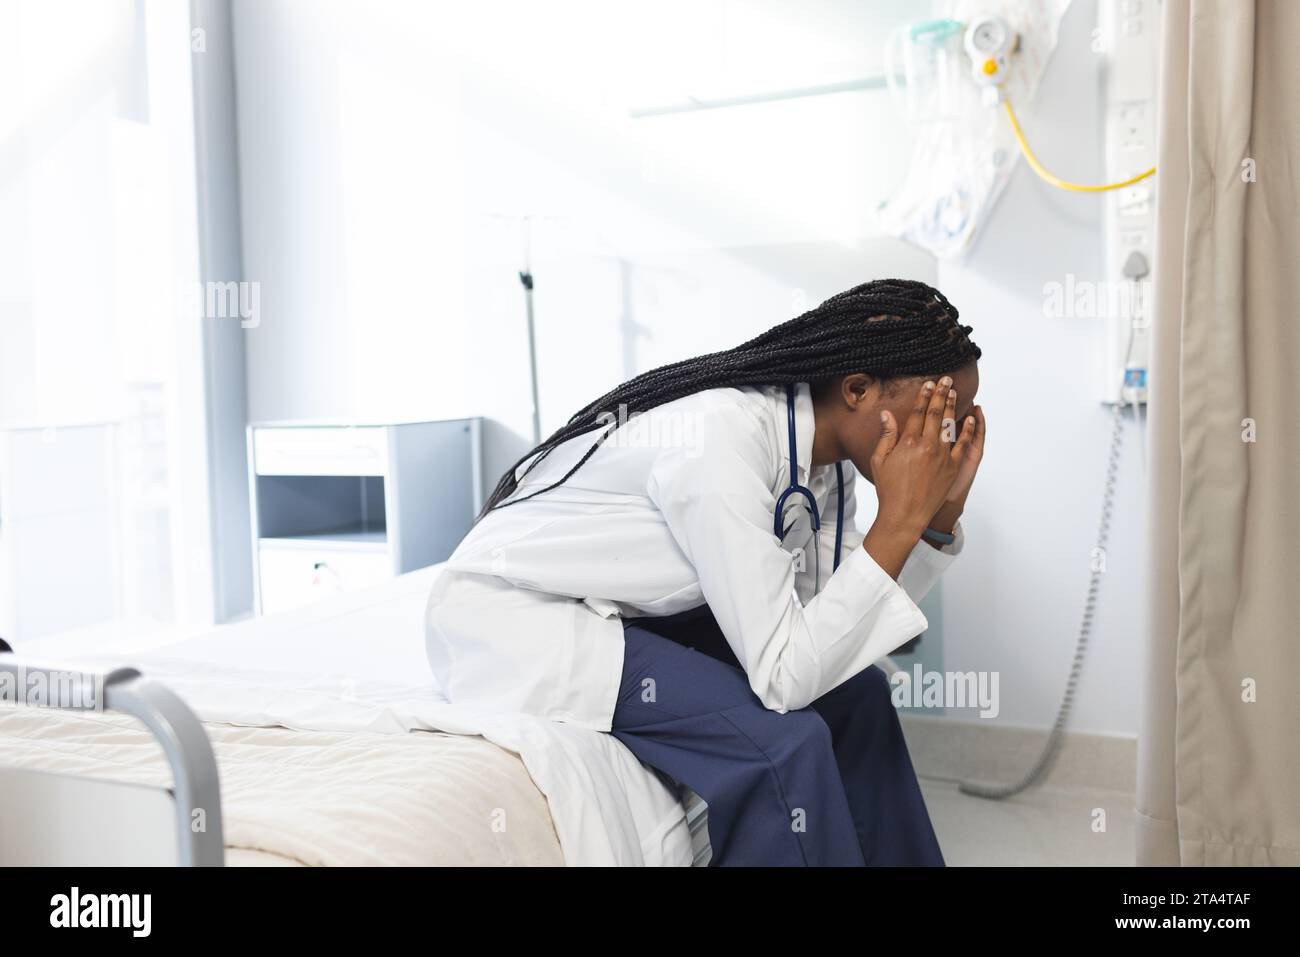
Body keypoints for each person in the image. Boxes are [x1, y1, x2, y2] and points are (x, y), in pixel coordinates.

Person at [426, 279, 986, 865]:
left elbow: (832, 633)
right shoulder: (720, 440)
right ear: (856, 390)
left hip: (636, 611)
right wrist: (901, 521)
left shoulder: (829, 466)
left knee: (860, 694)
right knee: (781, 748)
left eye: (962, 418)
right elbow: (787, 676)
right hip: (527, 616)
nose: (947, 441)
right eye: (940, 415)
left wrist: (934, 521)